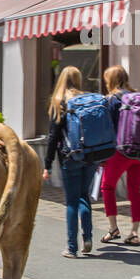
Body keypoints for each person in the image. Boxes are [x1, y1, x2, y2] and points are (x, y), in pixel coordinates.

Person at [44, 65, 94, 258]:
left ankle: (71, 248)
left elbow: (52, 136)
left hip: (70, 157)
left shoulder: (60, 102)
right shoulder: (88, 99)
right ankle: (87, 237)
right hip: (90, 156)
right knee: (84, 195)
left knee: (72, 201)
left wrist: (47, 165)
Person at [100, 64, 140, 245]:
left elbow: (108, 129)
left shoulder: (112, 100)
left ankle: (113, 229)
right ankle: (134, 233)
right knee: (135, 190)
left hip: (121, 152)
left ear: (110, 80)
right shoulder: (137, 97)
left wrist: (103, 155)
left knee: (107, 187)